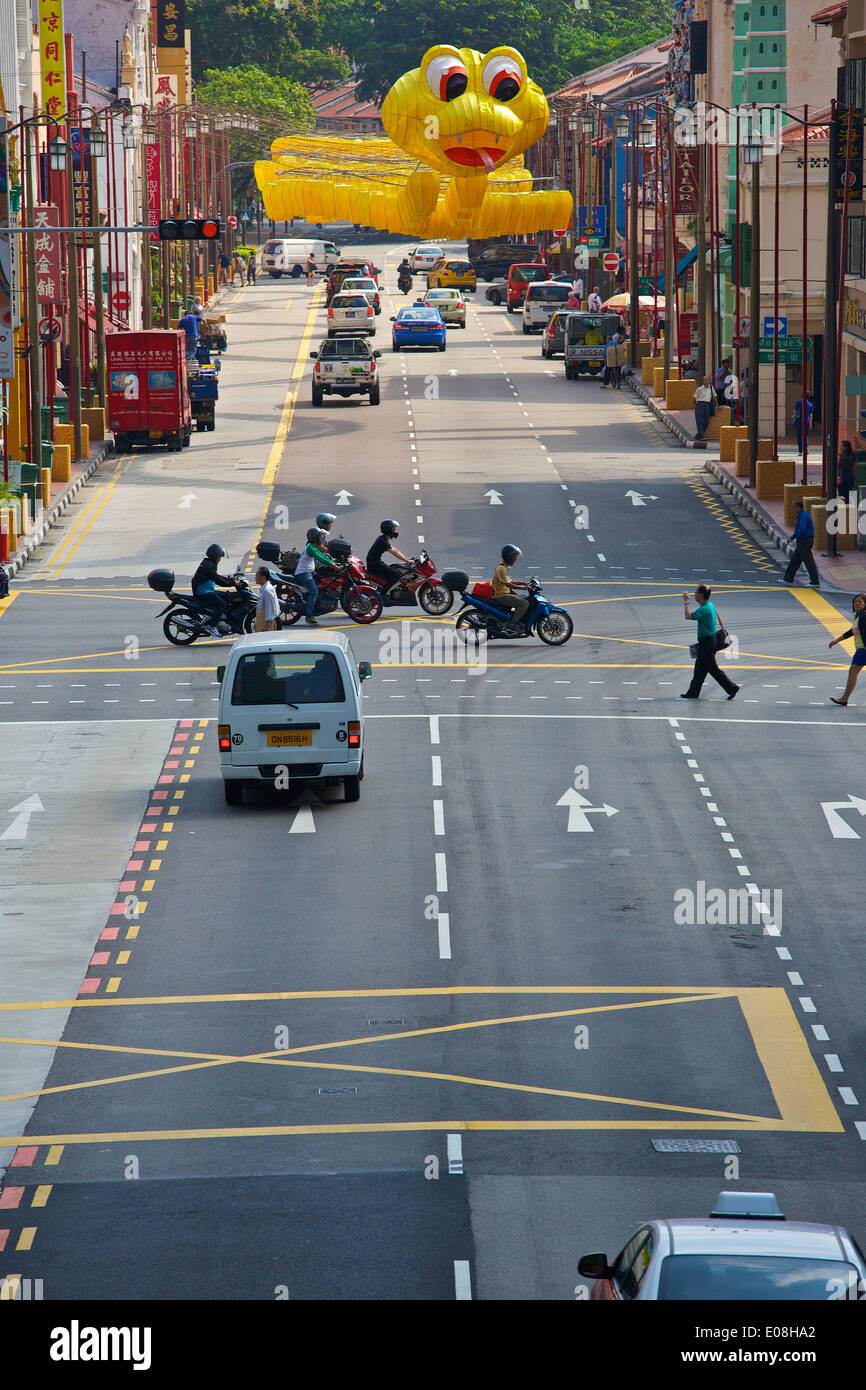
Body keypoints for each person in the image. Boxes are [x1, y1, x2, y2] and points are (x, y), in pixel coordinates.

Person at [681, 585, 739, 700]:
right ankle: (693, 692)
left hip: (707, 642)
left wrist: (686, 602)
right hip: (709, 641)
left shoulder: (704, 609)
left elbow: (688, 616)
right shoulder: (710, 605)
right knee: (699, 668)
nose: (694, 594)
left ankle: (732, 687)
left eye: (696, 592)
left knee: (713, 669)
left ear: (702, 595)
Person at [191, 544, 239, 635]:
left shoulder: (208, 563)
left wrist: (231, 580)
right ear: (215, 556)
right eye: (219, 557)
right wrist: (232, 583)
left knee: (226, 596)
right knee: (222, 605)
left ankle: (219, 618)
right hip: (203, 592)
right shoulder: (209, 566)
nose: (220, 559)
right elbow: (219, 581)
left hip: (206, 590)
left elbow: (216, 577)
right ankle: (212, 627)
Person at [828, 592, 866, 705]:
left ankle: (844, 698)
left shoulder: (864, 617)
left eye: (860, 602)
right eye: (855, 602)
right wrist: (837, 640)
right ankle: (844, 698)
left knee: (852, 672)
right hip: (861, 649)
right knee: (853, 672)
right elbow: (851, 632)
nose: (857, 604)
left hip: (863, 650)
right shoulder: (859, 616)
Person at [295, 527, 336, 626]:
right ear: (316, 538)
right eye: (320, 537)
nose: (322, 538)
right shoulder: (311, 548)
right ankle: (309, 616)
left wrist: (336, 559)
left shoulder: (313, 546)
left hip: (310, 571)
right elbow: (320, 558)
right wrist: (333, 565)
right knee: (314, 592)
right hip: (304, 573)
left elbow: (324, 554)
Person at [492, 544, 530, 636]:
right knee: (525, 603)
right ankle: (512, 624)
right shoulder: (501, 568)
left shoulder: (504, 567)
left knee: (522, 598)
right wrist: (524, 588)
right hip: (501, 596)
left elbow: (509, 580)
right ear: (509, 557)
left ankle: (514, 619)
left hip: (504, 593)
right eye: (514, 556)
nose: (516, 559)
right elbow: (508, 584)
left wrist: (523, 582)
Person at [366, 519, 412, 594]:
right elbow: (394, 552)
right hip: (375, 565)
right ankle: (383, 595)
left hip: (375, 563)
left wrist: (407, 559)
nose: (395, 531)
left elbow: (395, 550)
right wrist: (408, 561)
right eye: (393, 529)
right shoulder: (382, 541)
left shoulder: (383, 539)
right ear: (388, 530)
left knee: (396, 569)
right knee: (396, 575)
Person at [784, 499, 820, 587]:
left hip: (804, 541)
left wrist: (792, 537)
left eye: (794, 507)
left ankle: (815, 581)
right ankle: (788, 579)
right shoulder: (802, 514)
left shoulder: (803, 516)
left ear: (798, 507)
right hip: (802, 541)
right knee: (795, 560)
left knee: (808, 562)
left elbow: (802, 529)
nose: (792, 508)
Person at [254, 567, 279, 632]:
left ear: (263, 577)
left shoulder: (267, 590)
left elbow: (270, 608)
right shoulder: (264, 588)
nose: (255, 577)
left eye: (257, 575)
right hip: (261, 620)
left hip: (266, 623)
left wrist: (267, 626)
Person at [693, 376, 716, 441]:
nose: (705, 381)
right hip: (700, 404)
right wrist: (697, 405)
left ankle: (699, 434)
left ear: (709, 381)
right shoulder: (699, 389)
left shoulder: (711, 388)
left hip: (707, 405)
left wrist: (717, 405)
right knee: (700, 420)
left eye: (706, 380)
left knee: (706, 421)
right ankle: (701, 435)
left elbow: (714, 397)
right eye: (704, 380)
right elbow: (694, 397)